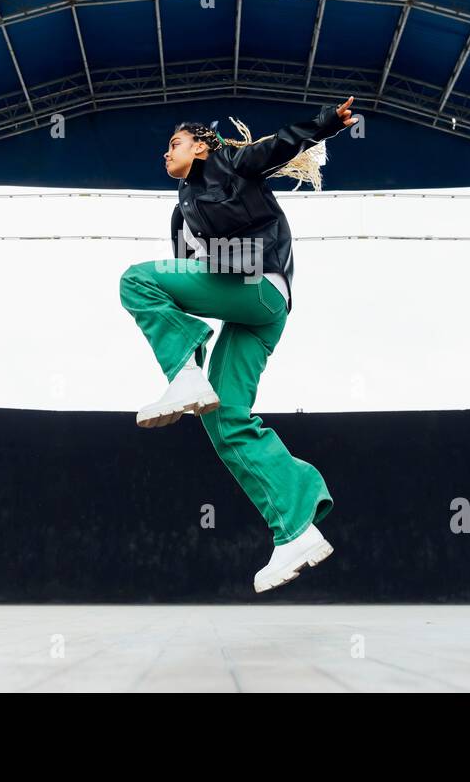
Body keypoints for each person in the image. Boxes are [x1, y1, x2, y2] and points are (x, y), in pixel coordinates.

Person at [118, 96, 357, 593]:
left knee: (136, 281)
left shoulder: (230, 163)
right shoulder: (180, 214)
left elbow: (277, 147)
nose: (166, 153)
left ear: (202, 147)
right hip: (256, 312)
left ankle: (184, 374)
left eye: (174, 144)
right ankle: (296, 530)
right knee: (225, 419)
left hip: (259, 283)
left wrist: (328, 124)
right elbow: (183, 288)